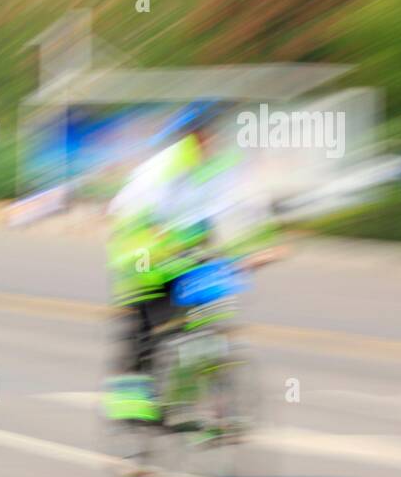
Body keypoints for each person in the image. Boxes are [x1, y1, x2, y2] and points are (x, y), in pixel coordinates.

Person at [104, 105, 277, 425]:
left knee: (211, 313)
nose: (213, 139)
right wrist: (162, 246)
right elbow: (138, 215)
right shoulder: (164, 167)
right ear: (192, 135)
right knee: (153, 321)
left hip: (182, 253)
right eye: (207, 133)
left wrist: (254, 251)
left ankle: (216, 399)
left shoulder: (212, 169)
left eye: (214, 134)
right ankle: (136, 403)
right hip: (140, 253)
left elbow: (231, 213)